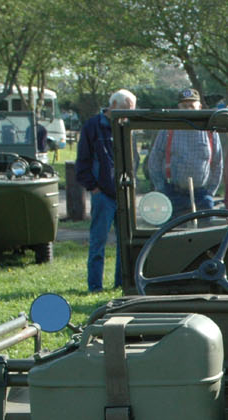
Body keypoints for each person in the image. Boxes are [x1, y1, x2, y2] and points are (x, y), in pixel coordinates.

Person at [77, 88, 137, 293]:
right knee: (98, 242)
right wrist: (92, 187)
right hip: (102, 193)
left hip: (123, 191)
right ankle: (95, 285)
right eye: (126, 109)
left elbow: (133, 158)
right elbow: (83, 160)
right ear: (113, 106)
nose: (129, 113)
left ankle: (122, 282)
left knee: (125, 242)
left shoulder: (127, 126)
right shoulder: (93, 126)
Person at [145, 88, 222, 214]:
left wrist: (210, 192)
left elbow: (217, 163)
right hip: (173, 194)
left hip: (201, 195)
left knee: (206, 232)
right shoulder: (168, 130)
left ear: (200, 107)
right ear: (178, 107)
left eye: (192, 106)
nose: (188, 109)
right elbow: (154, 160)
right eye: (184, 106)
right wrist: (162, 188)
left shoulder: (210, 131)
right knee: (173, 233)